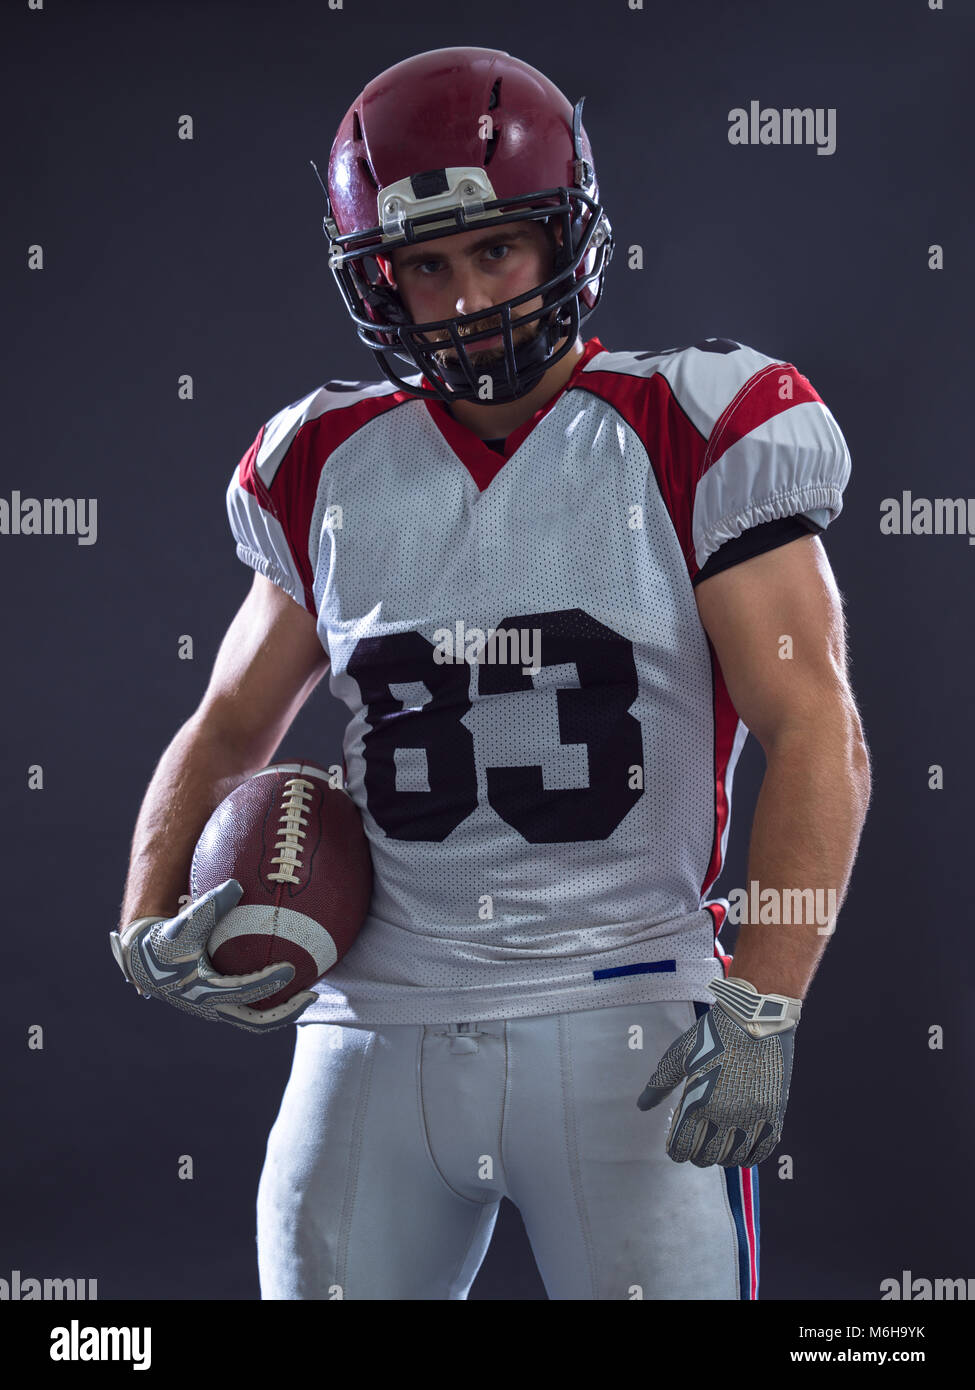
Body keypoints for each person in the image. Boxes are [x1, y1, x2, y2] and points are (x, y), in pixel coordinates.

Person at [110, 46, 871, 1300]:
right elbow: (234, 713)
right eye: (426, 266)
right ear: (380, 279)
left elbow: (813, 725)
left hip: (623, 1009)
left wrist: (769, 1000)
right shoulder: (320, 460)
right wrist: (145, 909)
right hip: (374, 1022)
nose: (466, 298)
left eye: (496, 251)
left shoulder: (698, 424)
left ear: (564, 240)